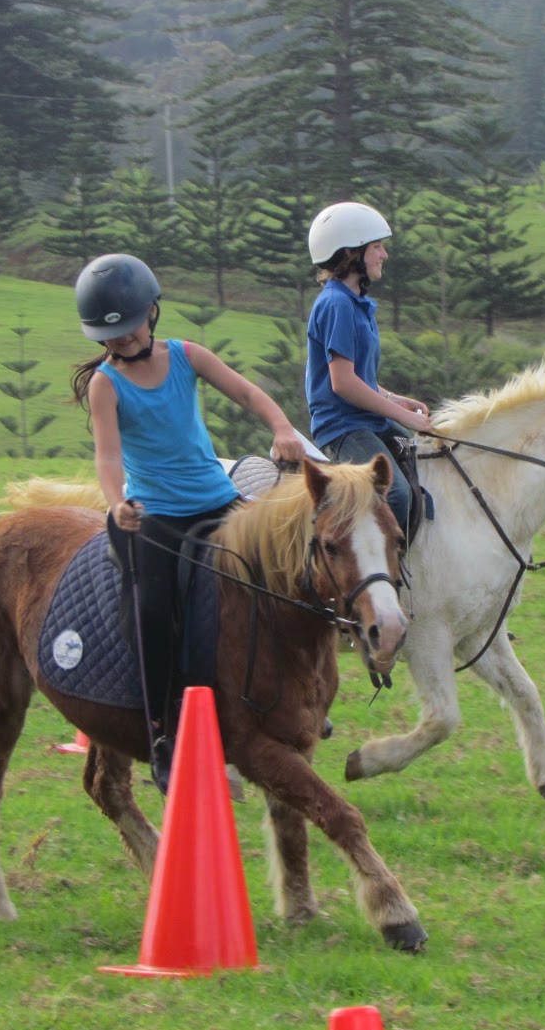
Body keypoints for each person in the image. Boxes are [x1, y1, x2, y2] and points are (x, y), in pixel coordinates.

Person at [71, 252, 305, 790]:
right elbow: (108, 455)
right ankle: (162, 734)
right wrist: (115, 502)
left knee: (280, 577)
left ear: (152, 313)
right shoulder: (106, 385)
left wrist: (282, 427)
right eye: (112, 335)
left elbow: (246, 393)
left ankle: (291, 695)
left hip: (216, 499)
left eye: (132, 327)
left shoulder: (186, 356)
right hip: (155, 514)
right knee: (152, 611)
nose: (124, 339)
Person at [304, 201, 432, 536]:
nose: (384, 255)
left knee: (426, 464)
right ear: (351, 252)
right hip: (343, 427)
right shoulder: (337, 305)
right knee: (395, 494)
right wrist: (403, 416)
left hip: (366, 420)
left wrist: (397, 400)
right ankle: (384, 568)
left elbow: (361, 379)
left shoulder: (356, 303)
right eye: (377, 246)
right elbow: (343, 384)